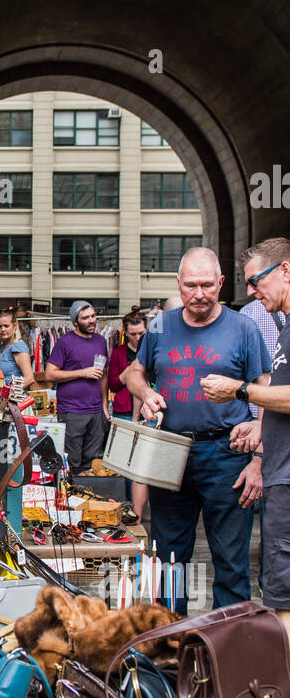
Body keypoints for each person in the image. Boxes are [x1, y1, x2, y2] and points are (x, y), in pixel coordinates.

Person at [123, 247, 271, 612]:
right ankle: (173, 646)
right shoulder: (159, 325)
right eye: (191, 286)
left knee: (231, 561)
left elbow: (266, 391)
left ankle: (230, 650)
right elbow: (133, 374)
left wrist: (259, 458)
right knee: (168, 557)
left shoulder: (244, 327)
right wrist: (147, 393)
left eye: (207, 285)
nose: (199, 294)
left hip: (226, 454)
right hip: (169, 450)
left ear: (221, 283)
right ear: (178, 284)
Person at [202, 238, 290, 637]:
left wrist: (240, 391)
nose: (251, 292)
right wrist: (259, 425)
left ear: (285, 270)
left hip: (286, 477)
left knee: (283, 599)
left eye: (256, 281)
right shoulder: (284, 330)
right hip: (279, 471)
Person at [44, 300, 109, 475]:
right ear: (75, 322)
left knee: (93, 463)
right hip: (72, 412)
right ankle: (71, 500)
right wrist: (83, 373)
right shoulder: (65, 342)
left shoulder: (101, 341)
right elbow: (49, 375)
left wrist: (104, 404)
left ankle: (89, 500)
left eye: (93, 316)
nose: (91, 320)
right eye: (85, 318)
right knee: (71, 463)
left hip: (96, 412)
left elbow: (105, 375)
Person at [108, 309, 149, 521]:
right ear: (126, 332)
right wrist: (131, 371)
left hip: (147, 415)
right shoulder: (119, 353)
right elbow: (114, 385)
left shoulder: (152, 349)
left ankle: (141, 509)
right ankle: (126, 508)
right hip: (124, 412)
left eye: (141, 333)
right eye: (133, 334)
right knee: (125, 464)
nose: (137, 338)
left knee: (144, 464)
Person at [0, 310, 36, 388]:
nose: (3, 329)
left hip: (13, 399)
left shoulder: (18, 346)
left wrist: (10, 394)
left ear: (15, 326)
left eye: (6, 326)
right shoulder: (1, 347)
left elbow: (29, 379)